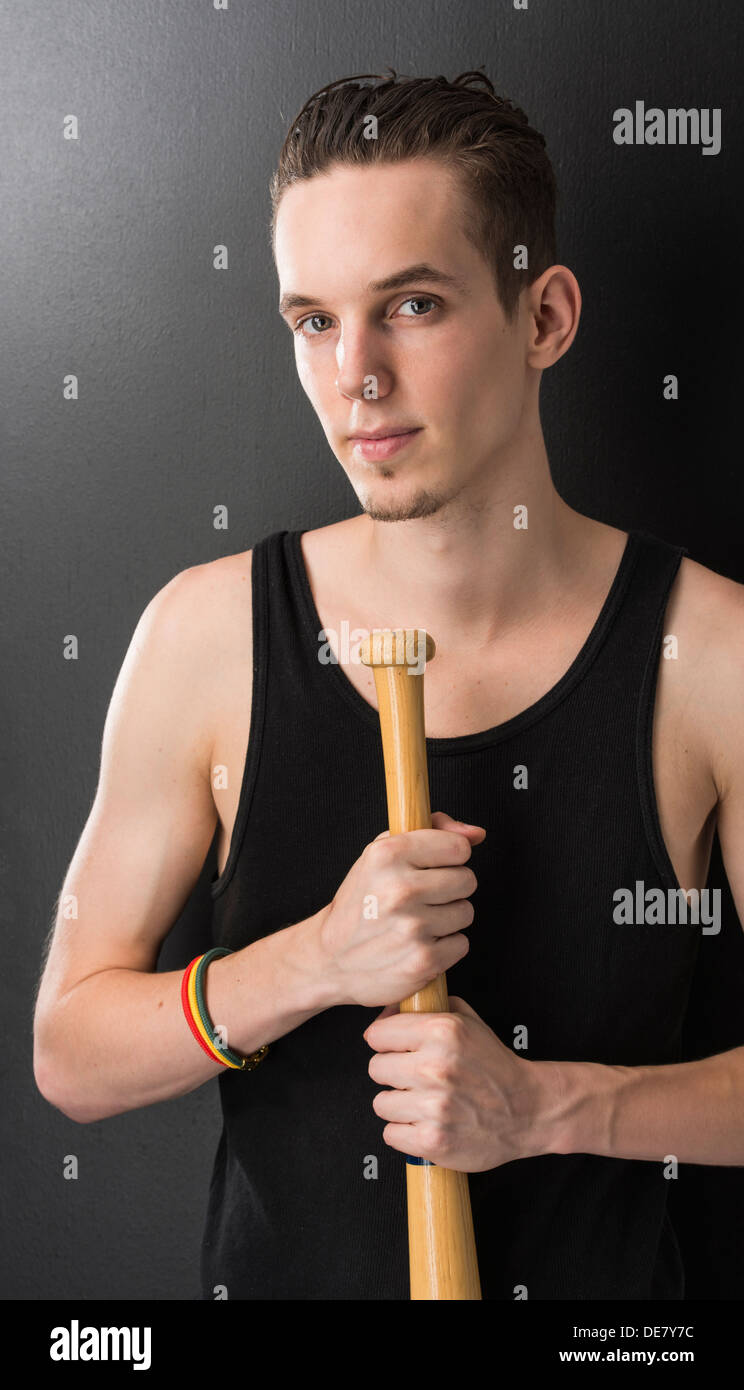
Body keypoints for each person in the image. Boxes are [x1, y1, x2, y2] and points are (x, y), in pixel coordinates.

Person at [33, 70, 744, 1301]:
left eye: (411, 305)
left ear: (546, 318)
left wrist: (543, 1106)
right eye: (312, 320)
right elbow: (71, 1055)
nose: (355, 374)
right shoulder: (205, 637)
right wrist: (312, 959)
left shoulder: (714, 655)